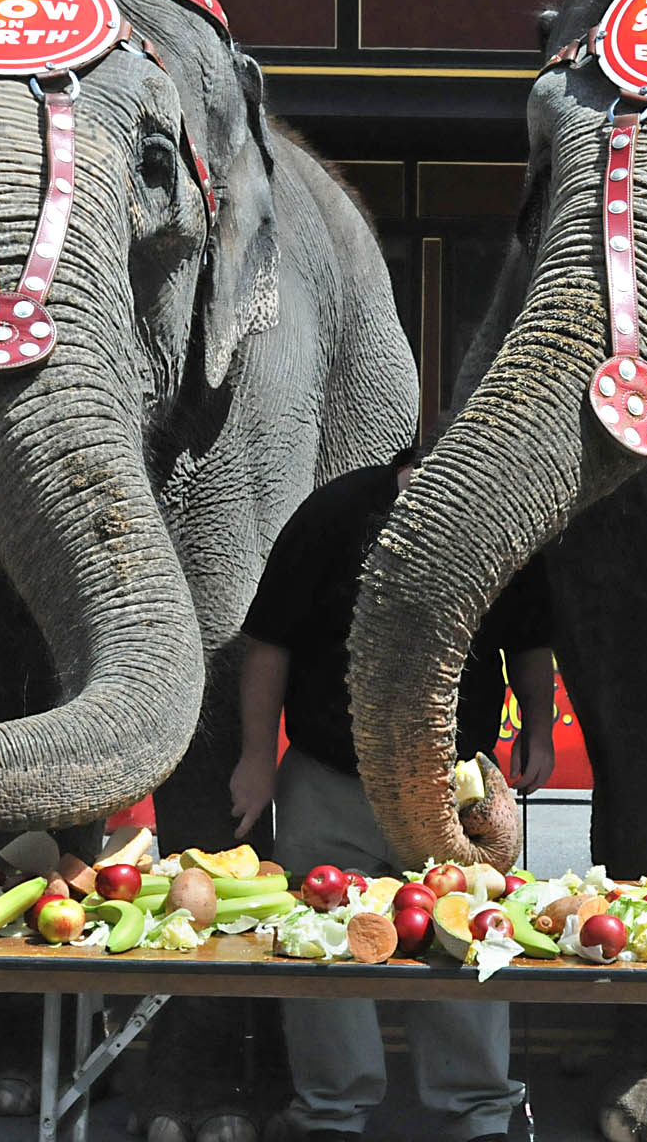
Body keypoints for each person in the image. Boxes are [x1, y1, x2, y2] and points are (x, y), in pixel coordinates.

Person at [231, 448, 557, 1142]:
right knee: (326, 943)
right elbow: (268, 644)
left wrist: (537, 727)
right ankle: (331, 1113)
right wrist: (257, 759)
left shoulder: (500, 519)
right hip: (329, 779)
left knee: (468, 941)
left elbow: (529, 640)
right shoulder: (334, 513)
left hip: (453, 791)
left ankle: (478, 1113)